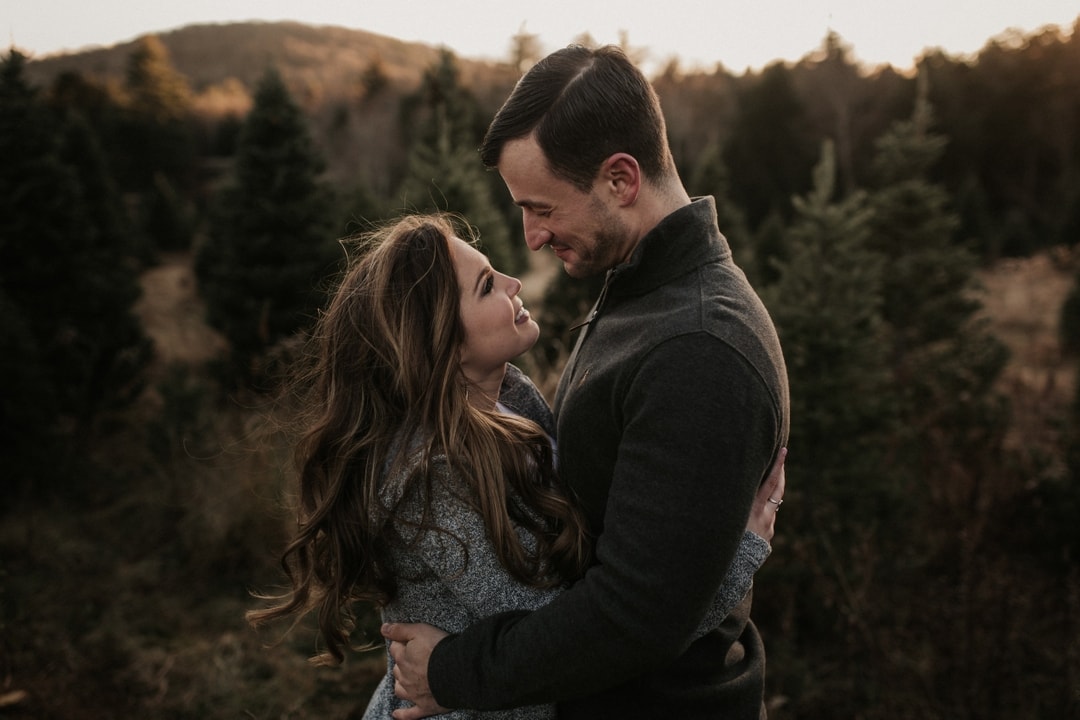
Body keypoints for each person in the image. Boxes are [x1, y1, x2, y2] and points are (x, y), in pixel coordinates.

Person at [382, 45, 790, 720]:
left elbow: (634, 618)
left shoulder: (698, 350)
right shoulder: (642, 290)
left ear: (621, 181)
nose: (531, 237)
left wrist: (453, 670)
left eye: (541, 208)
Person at [246, 212, 787, 720]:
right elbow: (580, 642)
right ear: (439, 344)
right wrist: (737, 557)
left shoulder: (510, 397)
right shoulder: (435, 481)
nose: (514, 282)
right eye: (485, 285)